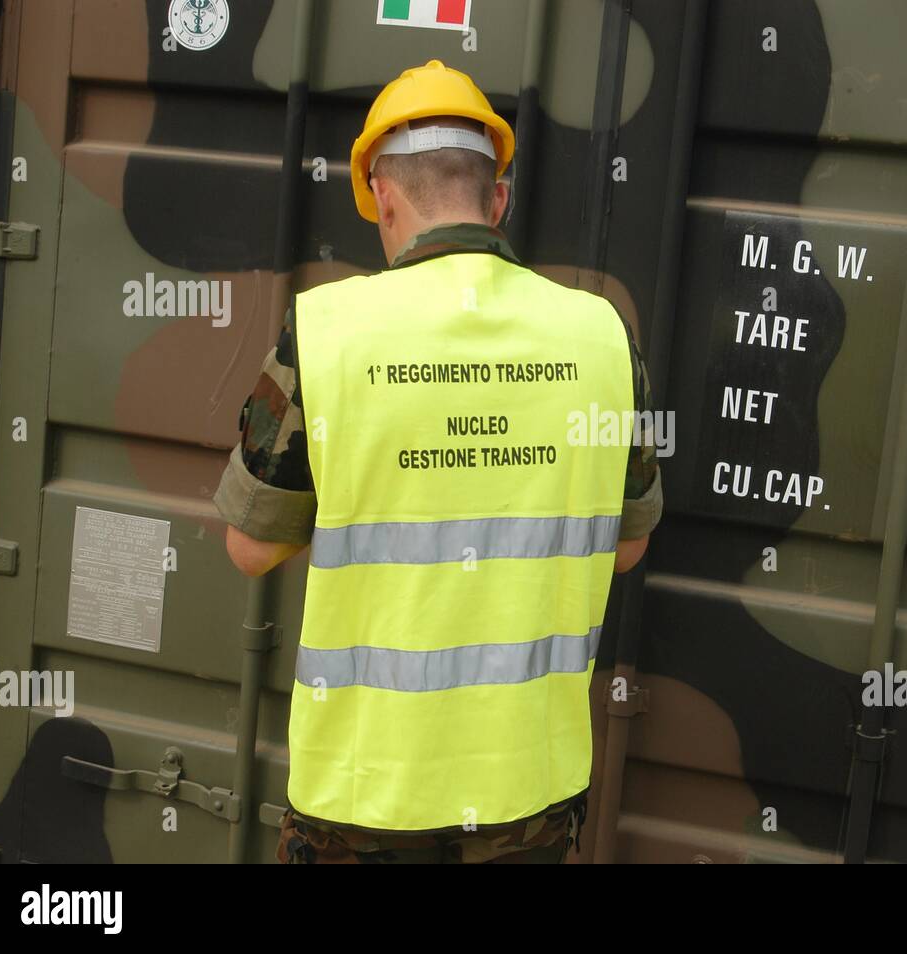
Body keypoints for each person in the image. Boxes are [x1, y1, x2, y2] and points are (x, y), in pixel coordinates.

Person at [212, 59, 662, 863]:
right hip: (529, 800)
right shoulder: (603, 338)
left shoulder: (326, 333)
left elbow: (251, 545)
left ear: (382, 195)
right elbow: (627, 545)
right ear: (499, 198)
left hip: (364, 804)